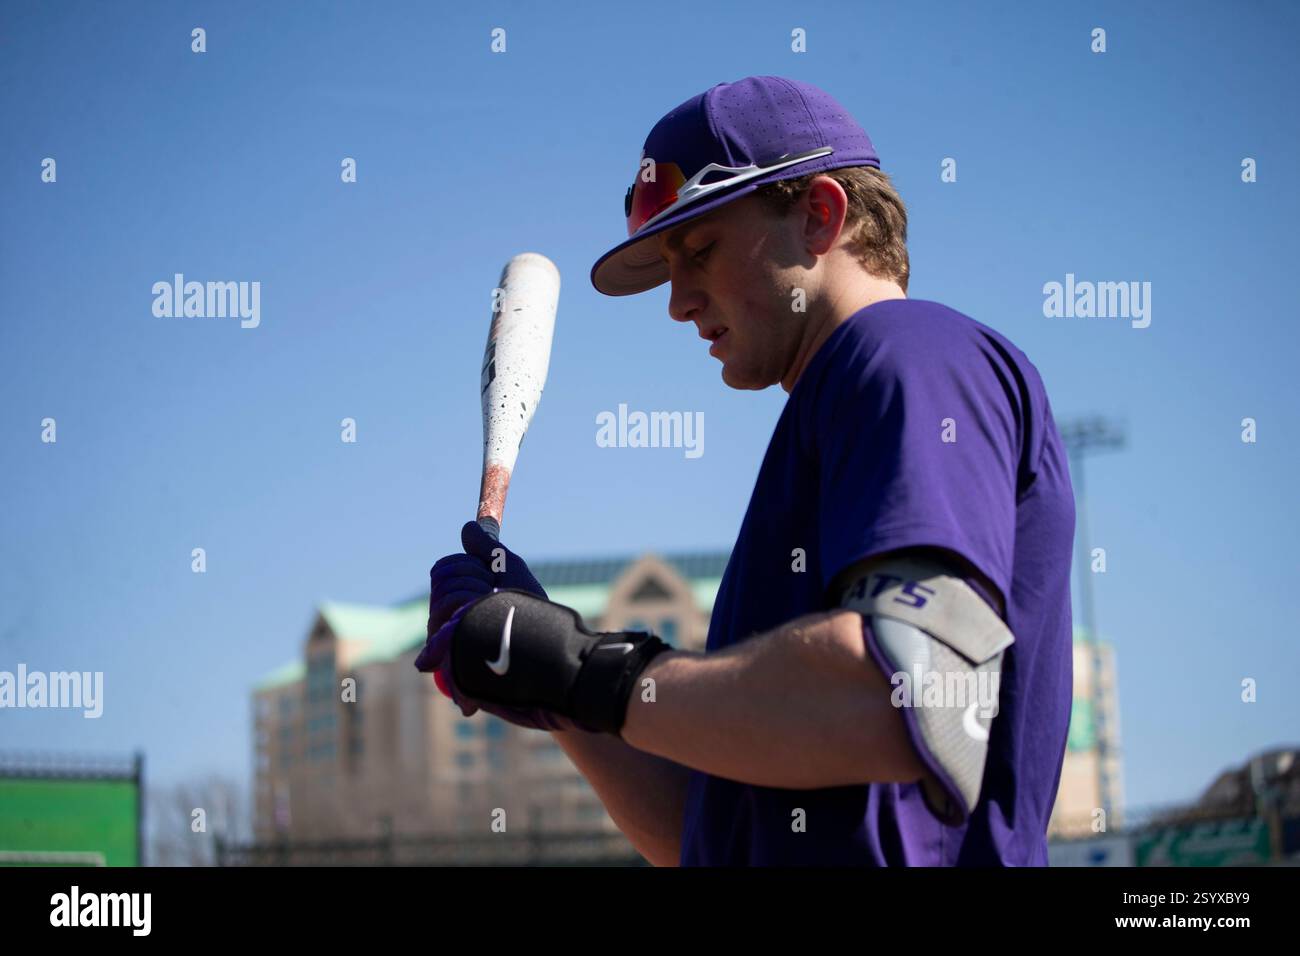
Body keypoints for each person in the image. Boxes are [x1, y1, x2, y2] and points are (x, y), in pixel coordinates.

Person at [416, 75, 1076, 866]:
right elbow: (693, 829)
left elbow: (913, 697)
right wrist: (551, 679)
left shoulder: (908, 353)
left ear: (820, 215)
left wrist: (590, 670)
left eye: (700, 251)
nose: (678, 302)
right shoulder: (830, 413)